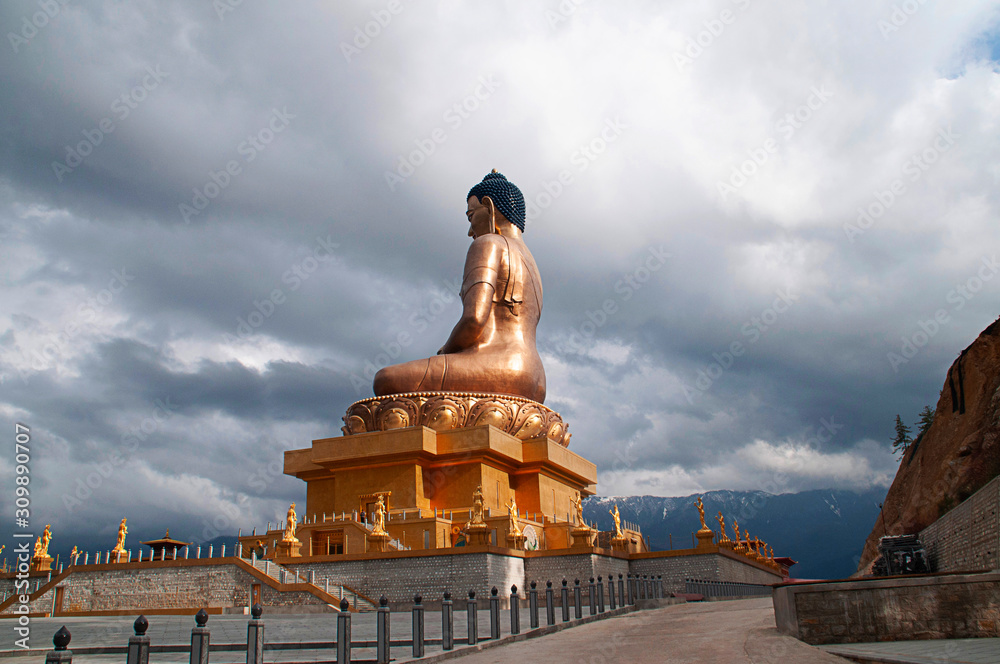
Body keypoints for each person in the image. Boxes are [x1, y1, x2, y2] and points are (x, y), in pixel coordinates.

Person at [374, 171, 546, 402]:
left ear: (489, 206)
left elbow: (474, 320)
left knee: (385, 379)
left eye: (471, 216)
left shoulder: (488, 243)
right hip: (536, 381)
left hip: (497, 363)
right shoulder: (532, 262)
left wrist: (445, 351)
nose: (470, 231)